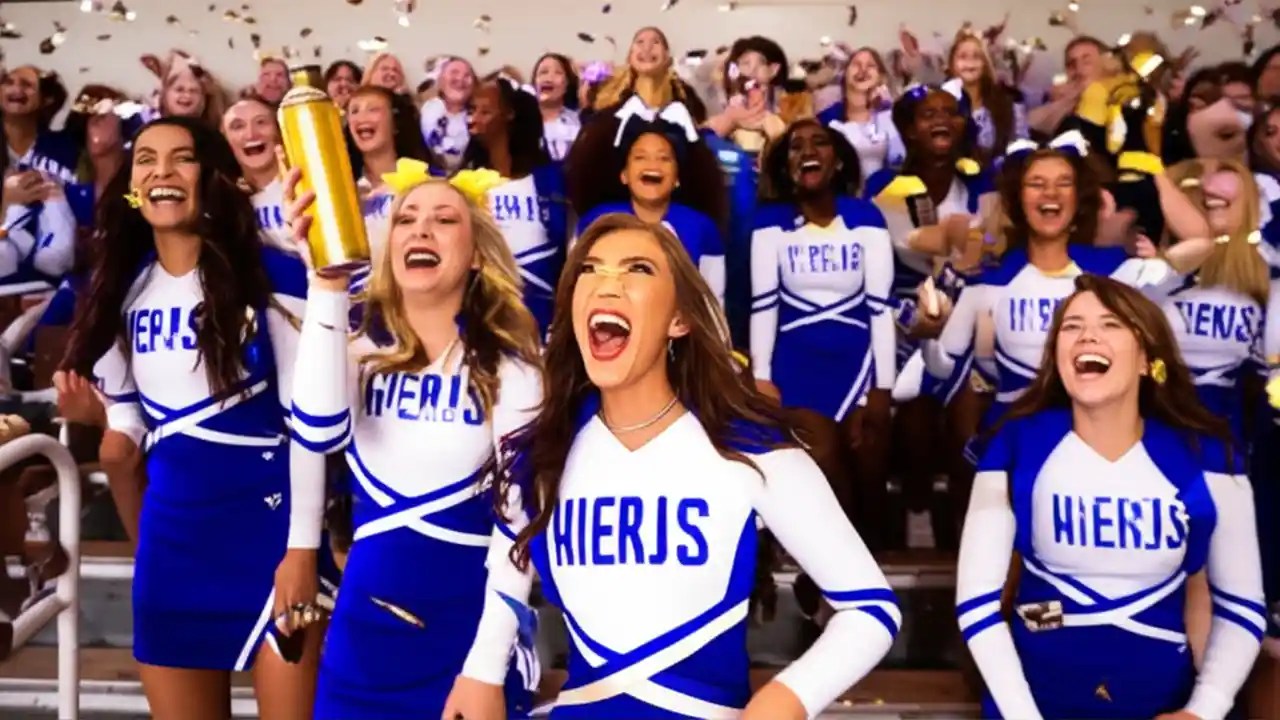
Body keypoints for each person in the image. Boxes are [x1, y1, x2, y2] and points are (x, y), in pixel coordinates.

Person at [460, 213, 899, 719]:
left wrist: (779, 705)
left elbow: (871, 610)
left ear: (679, 320)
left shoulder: (750, 447)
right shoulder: (543, 452)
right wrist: (482, 672)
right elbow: (507, 567)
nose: (608, 284)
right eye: (591, 270)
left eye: (637, 269)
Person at [58, 117, 325, 719]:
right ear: (132, 186)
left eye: (182, 159)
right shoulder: (118, 294)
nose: (162, 172)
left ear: (212, 176)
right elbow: (126, 430)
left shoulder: (273, 275)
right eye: (146, 160)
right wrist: (101, 423)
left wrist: (303, 551)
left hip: (273, 544)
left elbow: (309, 423)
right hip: (173, 550)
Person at [284, 156, 542, 719]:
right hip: (362, 641)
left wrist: (484, 667)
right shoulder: (355, 350)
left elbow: (518, 528)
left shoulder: (513, 369)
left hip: (467, 641)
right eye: (407, 219)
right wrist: (324, 284)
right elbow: (318, 429)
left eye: (445, 220)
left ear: (476, 254)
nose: (422, 229)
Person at [956, 274, 1264, 719]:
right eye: (1072, 326)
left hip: (1164, 703)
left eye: (1111, 324)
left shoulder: (1211, 456)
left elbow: (1242, 604)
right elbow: (977, 602)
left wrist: (1204, 710)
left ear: (1146, 359)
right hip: (1034, 701)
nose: (1088, 335)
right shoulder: (1015, 443)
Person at [751, 118, 895, 551]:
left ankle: (863, 580)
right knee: (827, 459)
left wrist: (882, 390)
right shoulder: (770, 222)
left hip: (858, 366)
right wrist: (760, 376)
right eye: (796, 146)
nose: (807, 151)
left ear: (836, 161)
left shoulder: (865, 217)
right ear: (785, 165)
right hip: (796, 367)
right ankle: (833, 580)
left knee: (869, 469)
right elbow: (764, 304)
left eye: (820, 144)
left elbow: (881, 307)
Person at [570, 97, 726, 304]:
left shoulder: (701, 228)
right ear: (624, 174)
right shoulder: (595, 221)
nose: (653, 164)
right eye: (640, 157)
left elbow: (714, 302)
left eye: (664, 158)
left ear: (678, 178)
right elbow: (573, 289)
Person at [462, 76, 567, 333]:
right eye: (471, 110)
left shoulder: (548, 179)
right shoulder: (463, 182)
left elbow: (565, 246)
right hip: (484, 316)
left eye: (485, 111)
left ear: (509, 114)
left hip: (543, 317)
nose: (474, 119)